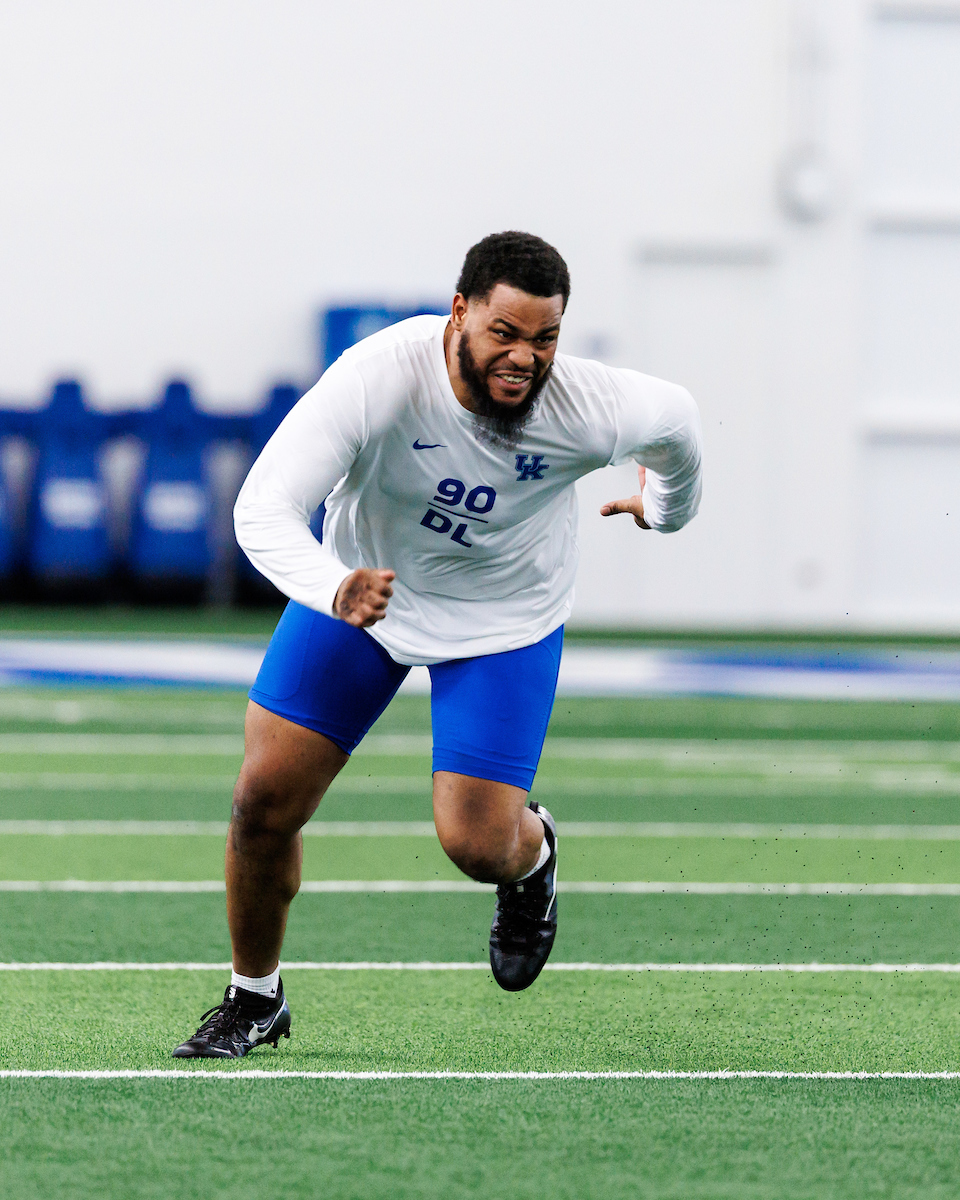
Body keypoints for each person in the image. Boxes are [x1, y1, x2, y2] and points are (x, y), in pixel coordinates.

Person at [172, 231, 702, 1058]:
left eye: (545, 338)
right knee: (262, 803)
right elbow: (261, 510)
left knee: (477, 845)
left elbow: (679, 429)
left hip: (504, 619)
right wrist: (330, 586)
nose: (525, 357)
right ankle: (253, 998)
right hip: (361, 596)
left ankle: (535, 857)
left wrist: (664, 512)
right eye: (505, 333)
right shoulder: (378, 376)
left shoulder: (593, 408)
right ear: (459, 313)